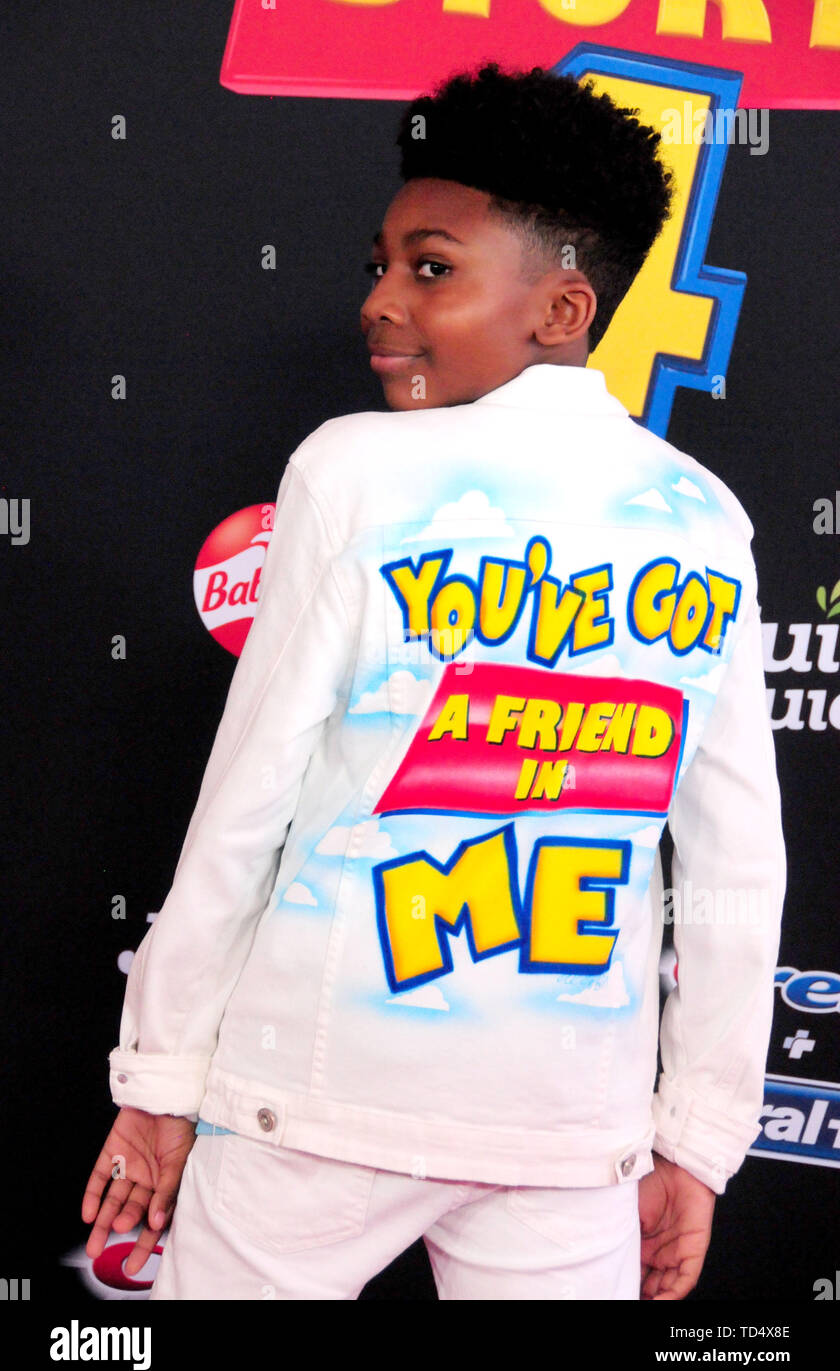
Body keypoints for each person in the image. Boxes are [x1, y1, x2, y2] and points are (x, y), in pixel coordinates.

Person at [82, 61, 785, 1301]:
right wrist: (697, 1138)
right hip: (572, 1136)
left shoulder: (353, 471)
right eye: (383, 264)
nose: (381, 303)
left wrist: (159, 1082)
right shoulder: (703, 517)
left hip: (313, 1097)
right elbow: (736, 865)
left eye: (432, 268)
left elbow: (246, 807)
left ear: (560, 309)